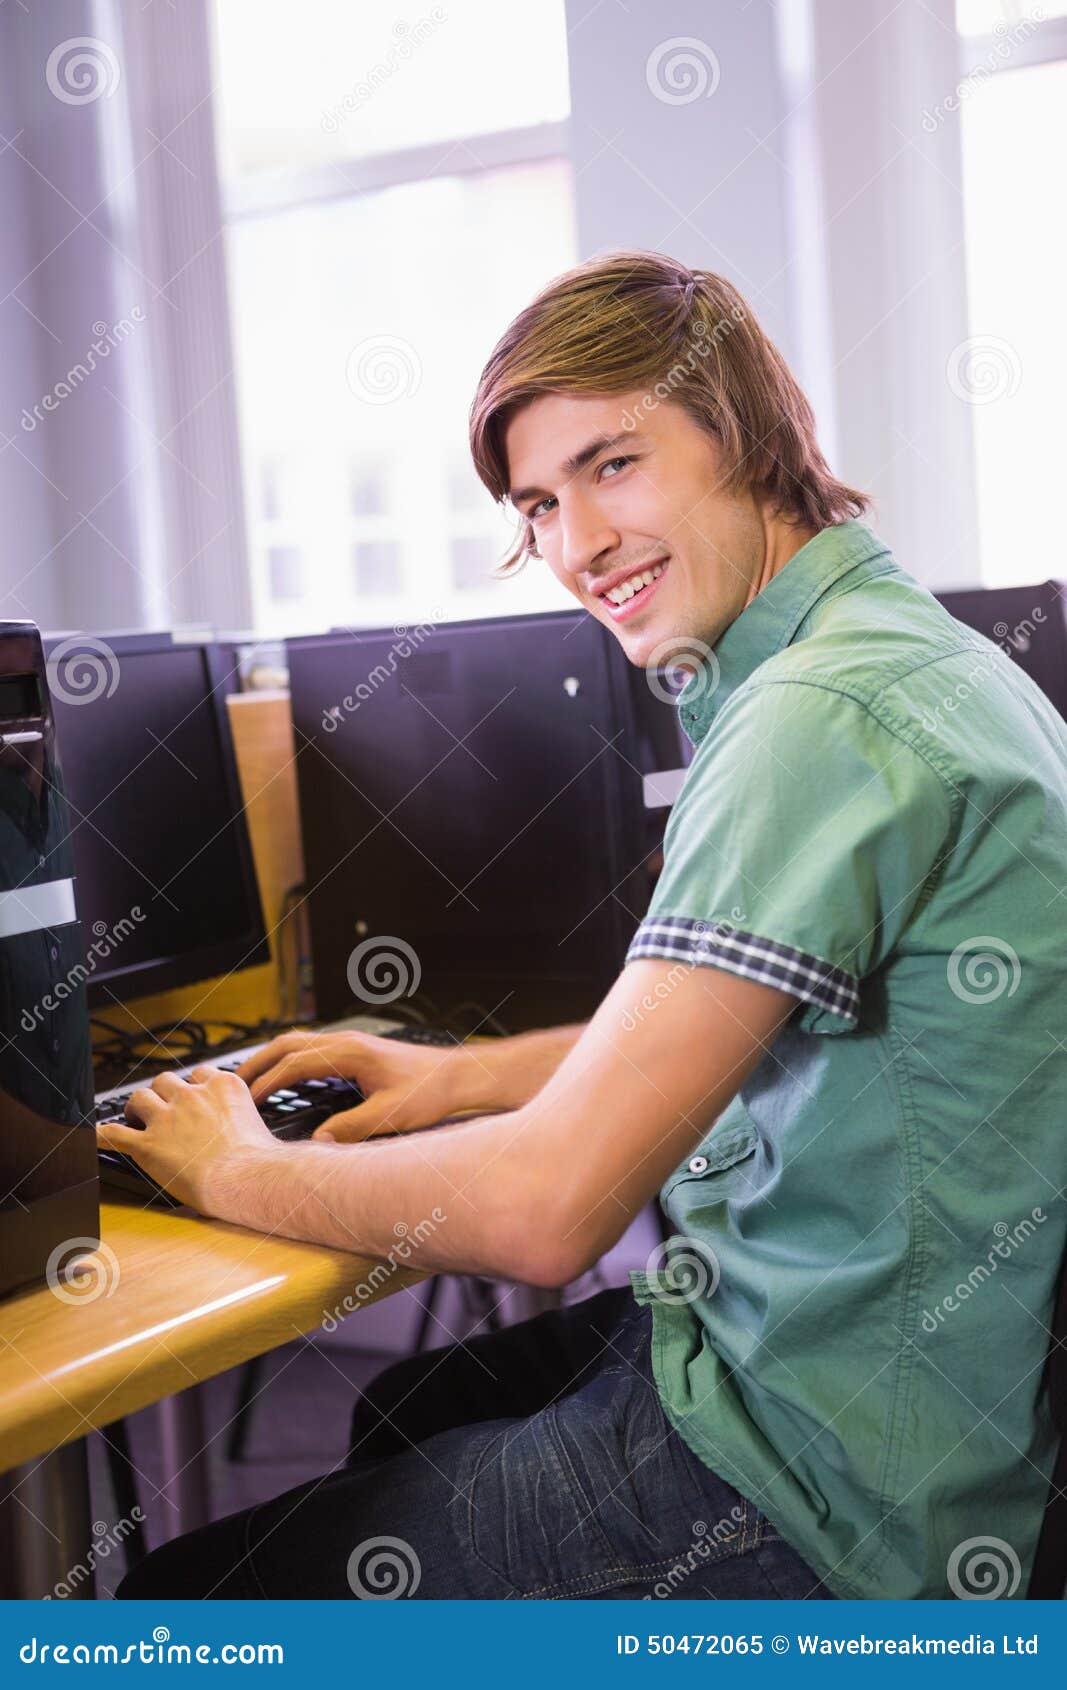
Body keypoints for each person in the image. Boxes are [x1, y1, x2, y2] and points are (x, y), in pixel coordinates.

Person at [106, 251, 1067, 1600]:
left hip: (825, 1489)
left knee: (175, 1607)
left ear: (746, 431)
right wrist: (457, 1075)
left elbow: (552, 1212)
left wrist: (231, 1171)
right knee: (404, 1414)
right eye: (539, 503)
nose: (576, 546)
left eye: (614, 465)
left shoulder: (818, 717)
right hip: (893, 1398)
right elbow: (757, 1034)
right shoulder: (904, 658)